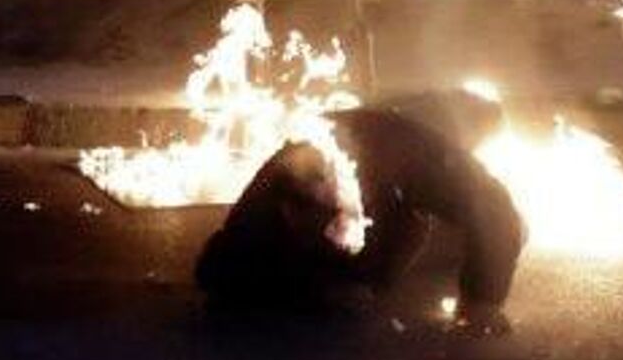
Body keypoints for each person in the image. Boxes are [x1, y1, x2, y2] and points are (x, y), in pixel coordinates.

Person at [195, 91, 525, 334]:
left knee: (501, 228)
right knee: (249, 276)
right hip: (371, 183)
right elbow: (214, 271)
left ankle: (377, 274)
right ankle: (339, 277)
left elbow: (494, 211)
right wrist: (306, 289)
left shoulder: (418, 163)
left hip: (416, 166)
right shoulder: (279, 181)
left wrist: (483, 301)